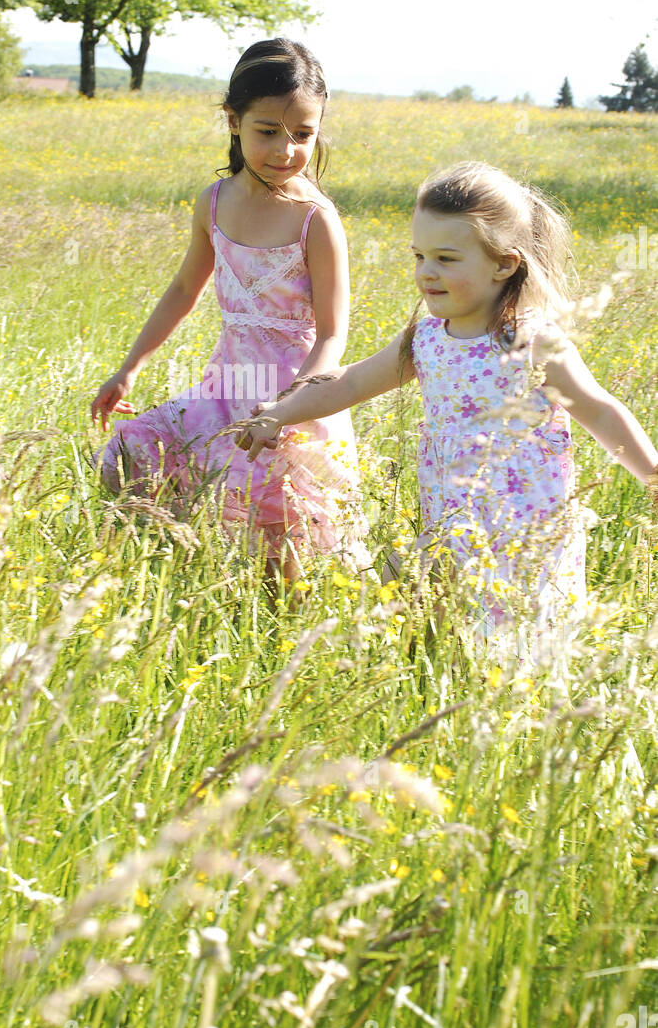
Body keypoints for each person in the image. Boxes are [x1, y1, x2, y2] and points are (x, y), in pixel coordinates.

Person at [234, 161, 658, 649]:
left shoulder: (530, 341)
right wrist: (279, 413)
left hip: (523, 536)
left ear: (504, 264)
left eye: (446, 259)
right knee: (398, 600)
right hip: (450, 523)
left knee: (511, 652)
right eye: (419, 256)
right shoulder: (427, 337)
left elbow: (599, 409)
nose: (425, 273)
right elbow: (350, 383)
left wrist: (651, 476)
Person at [90, 38, 366, 577]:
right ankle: (171, 578)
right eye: (269, 131)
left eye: (303, 135)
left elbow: (334, 334)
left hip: (296, 400)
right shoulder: (214, 203)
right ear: (233, 121)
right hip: (226, 390)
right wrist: (129, 368)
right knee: (127, 457)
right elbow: (183, 290)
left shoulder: (316, 219)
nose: (286, 150)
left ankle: (281, 641)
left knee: (284, 548)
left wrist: (285, 410)